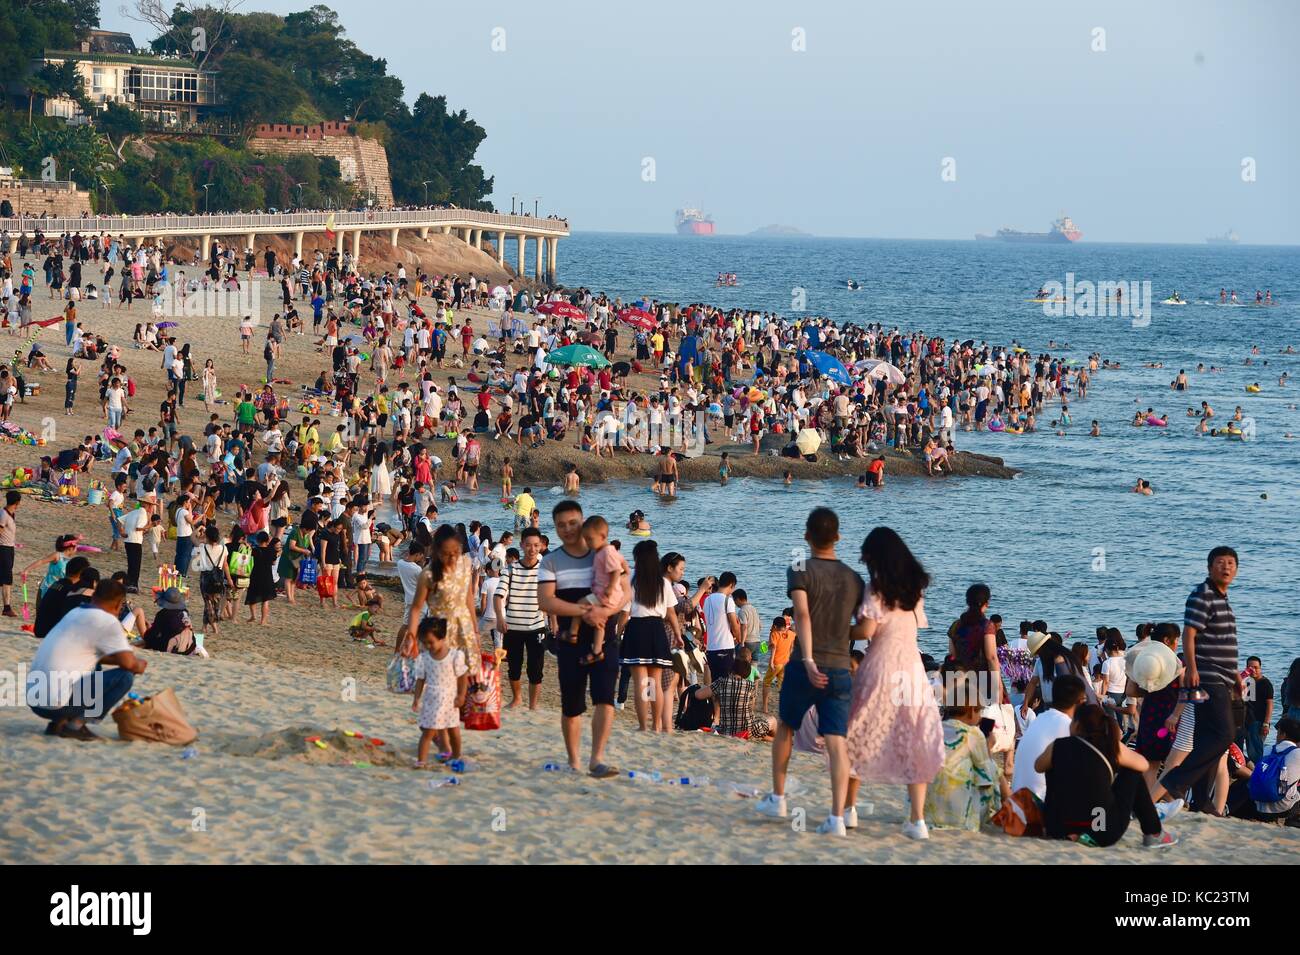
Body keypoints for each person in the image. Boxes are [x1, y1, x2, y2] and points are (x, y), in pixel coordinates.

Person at [757, 508, 865, 836]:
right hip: (840, 666)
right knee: (836, 740)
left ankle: (778, 797)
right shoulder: (854, 578)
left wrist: (807, 659)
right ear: (838, 537)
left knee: (787, 727)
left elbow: (801, 615)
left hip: (807, 665)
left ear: (807, 536)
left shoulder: (800, 569)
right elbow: (863, 627)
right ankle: (838, 816)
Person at [844, 527, 945, 839]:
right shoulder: (915, 588)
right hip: (911, 667)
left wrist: (838, 631)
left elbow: (866, 631)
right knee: (914, 737)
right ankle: (918, 820)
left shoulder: (877, 588)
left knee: (857, 733)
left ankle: (848, 809)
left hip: (881, 665)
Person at [537, 500, 628, 778]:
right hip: (570, 641)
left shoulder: (603, 552)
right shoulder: (551, 560)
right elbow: (545, 600)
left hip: (605, 638)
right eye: (561, 525)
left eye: (572, 523)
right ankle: (574, 760)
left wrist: (605, 611)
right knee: (572, 703)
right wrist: (584, 611)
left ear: (583, 520)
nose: (567, 529)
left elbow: (626, 590)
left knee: (605, 698)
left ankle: (596, 759)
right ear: (554, 528)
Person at [1154, 546, 1241, 811]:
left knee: (1206, 739)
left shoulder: (1222, 599)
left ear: (1236, 569)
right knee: (1225, 735)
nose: (1226, 567)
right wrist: (1192, 668)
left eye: (1230, 563)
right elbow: (1190, 634)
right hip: (1208, 677)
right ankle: (1176, 782)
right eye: (1220, 562)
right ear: (1209, 567)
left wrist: (1235, 674)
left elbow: (1221, 641)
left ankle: (1202, 801)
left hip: (1222, 677)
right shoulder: (1202, 595)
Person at [1038, 703, 1179, 848]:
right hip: (1100, 830)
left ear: (1077, 724)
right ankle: (1154, 833)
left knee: (1055, 767)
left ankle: (1073, 832)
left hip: (1057, 827)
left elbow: (1038, 766)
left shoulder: (1058, 745)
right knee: (1132, 773)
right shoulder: (1109, 745)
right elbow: (1143, 765)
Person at [25, 579, 148, 740]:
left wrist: (120, 660)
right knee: (125, 676)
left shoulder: (75, 613)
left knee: (92, 664)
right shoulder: (108, 621)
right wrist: (139, 664)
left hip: (35, 700)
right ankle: (75, 725)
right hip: (55, 704)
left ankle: (58, 723)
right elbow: (128, 663)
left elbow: (88, 656)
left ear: (93, 595)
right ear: (119, 605)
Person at [620, 538, 681, 732]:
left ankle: (643, 726)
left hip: (637, 629)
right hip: (657, 630)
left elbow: (625, 612)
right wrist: (678, 635)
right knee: (655, 682)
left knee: (641, 682)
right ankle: (656, 725)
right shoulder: (663, 582)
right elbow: (671, 613)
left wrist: (617, 634)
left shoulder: (632, 580)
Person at [404, 524, 478, 672]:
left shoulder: (464, 564)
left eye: (456, 552)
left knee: (466, 681)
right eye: (446, 553)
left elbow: (468, 598)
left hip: (464, 629)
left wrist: (476, 631)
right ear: (437, 551)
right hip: (438, 632)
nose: (452, 557)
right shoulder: (428, 574)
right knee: (439, 679)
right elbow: (416, 609)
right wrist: (411, 637)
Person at [494, 527, 548, 710]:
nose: (532, 549)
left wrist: (554, 620)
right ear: (522, 545)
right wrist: (500, 618)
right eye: (528, 545)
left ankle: (533, 705)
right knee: (514, 668)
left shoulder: (545, 570)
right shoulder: (510, 570)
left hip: (537, 627)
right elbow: (498, 596)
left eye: (536, 545)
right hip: (513, 627)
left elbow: (550, 597)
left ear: (540, 546)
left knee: (535, 670)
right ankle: (517, 699)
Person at [1012, 674, 1086, 801]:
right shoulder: (1067, 726)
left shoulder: (1040, 719)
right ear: (1081, 701)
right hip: (1037, 805)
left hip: (1017, 800)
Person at [411, 617, 469, 767]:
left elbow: (463, 677)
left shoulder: (455, 656)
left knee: (453, 730)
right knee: (428, 732)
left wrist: (462, 695)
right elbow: (420, 680)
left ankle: (456, 756)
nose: (428, 646)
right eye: (424, 643)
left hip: (450, 699)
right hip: (432, 699)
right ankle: (421, 760)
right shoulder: (424, 658)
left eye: (431, 642)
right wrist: (416, 698)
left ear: (442, 638)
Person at [1250, 717, 1300, 825]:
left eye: (1278, 732)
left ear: (1283, 734)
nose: (1277, 736)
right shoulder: (1298, 754)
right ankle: (1293, 822)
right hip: (1283, 808)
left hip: (1259, 805)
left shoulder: (1268, 749)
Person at [702, 572, 741, 680]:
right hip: (725, 647)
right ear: (731, 585)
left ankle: (714, 698)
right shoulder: (728, 600)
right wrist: (740, 639)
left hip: (711, 647)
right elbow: (734, 625)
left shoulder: (707, 600)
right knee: (726, 681)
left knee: (715, 682)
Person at [142, 587, 196, 655]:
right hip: (190, 647)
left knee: (150, 640)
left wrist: (147, 632)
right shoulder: (185, 612)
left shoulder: (162, 614)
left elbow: (152, 634)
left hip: (171, 647)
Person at [1241, 655, 1274, 764]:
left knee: (1256, 751)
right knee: (1247, 750)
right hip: (1246, 721)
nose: (1253, 670)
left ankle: (1259, 773)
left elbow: (1270, 704)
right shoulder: (1246, 681)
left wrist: (1266, 723)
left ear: (1260, 668)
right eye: (1250, 667)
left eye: (1256, 667)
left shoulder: (1265, 683)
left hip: (1259, 721)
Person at [761, 615, 796, 715]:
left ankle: (765, 708)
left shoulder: (775, 634)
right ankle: (783, 707)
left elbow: (773, 648)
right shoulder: (792, 634)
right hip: (786, 663)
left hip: (776, 663)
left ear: (775, 626)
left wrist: (771, 662)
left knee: (766, 683)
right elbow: (792, 648)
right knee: (781, 686)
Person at [0, 490, 18, 616]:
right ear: (17, 502)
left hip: (9, 548)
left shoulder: (11, 514)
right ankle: (7, 608)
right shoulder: (4, 515)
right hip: (3, 549)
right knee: (6, 579)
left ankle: (6, 607)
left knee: (4, 578)